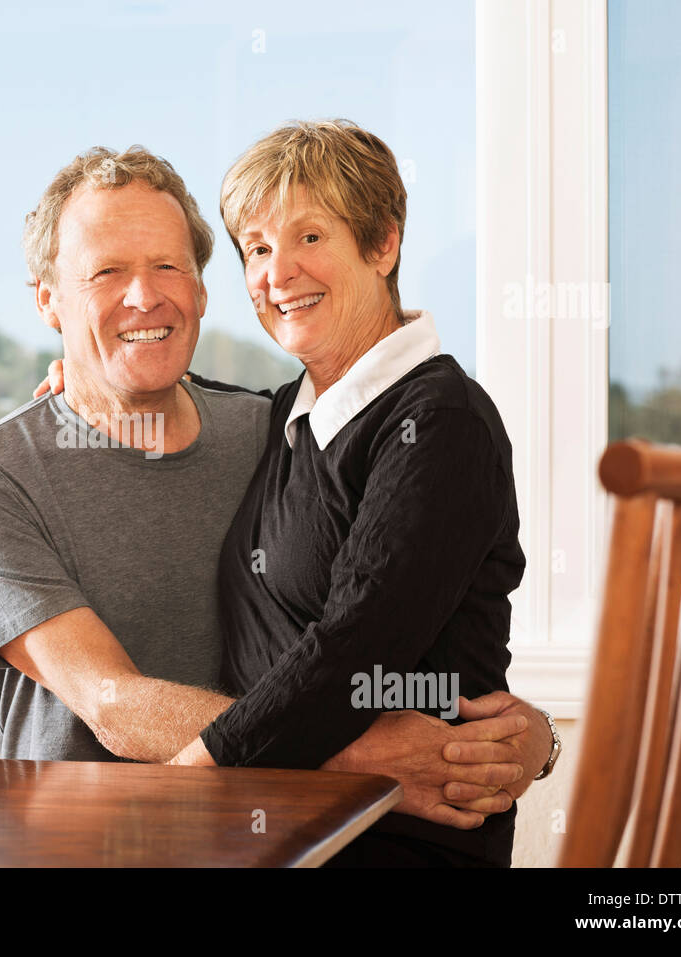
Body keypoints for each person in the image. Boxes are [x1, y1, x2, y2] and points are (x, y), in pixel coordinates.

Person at [0, 144, 549, 849]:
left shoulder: (277, 429)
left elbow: (395, 612)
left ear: (200, 291)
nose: (143, 296)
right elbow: (111, 702)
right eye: (106, 273)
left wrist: (526, 734)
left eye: (168, 266)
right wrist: (366, 757)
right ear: (48, 300)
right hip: (79, 847)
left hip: (262, 847)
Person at [140, 119, 553, 866]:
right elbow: (175, 392)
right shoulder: (286, 421)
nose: (278, 272)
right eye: (257, 249)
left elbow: (355, 651)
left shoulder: (441, 422)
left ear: (383, 244)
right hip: (282, 831)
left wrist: (185, 781)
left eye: (309, 237)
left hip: (394, 842)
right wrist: (86, 386)